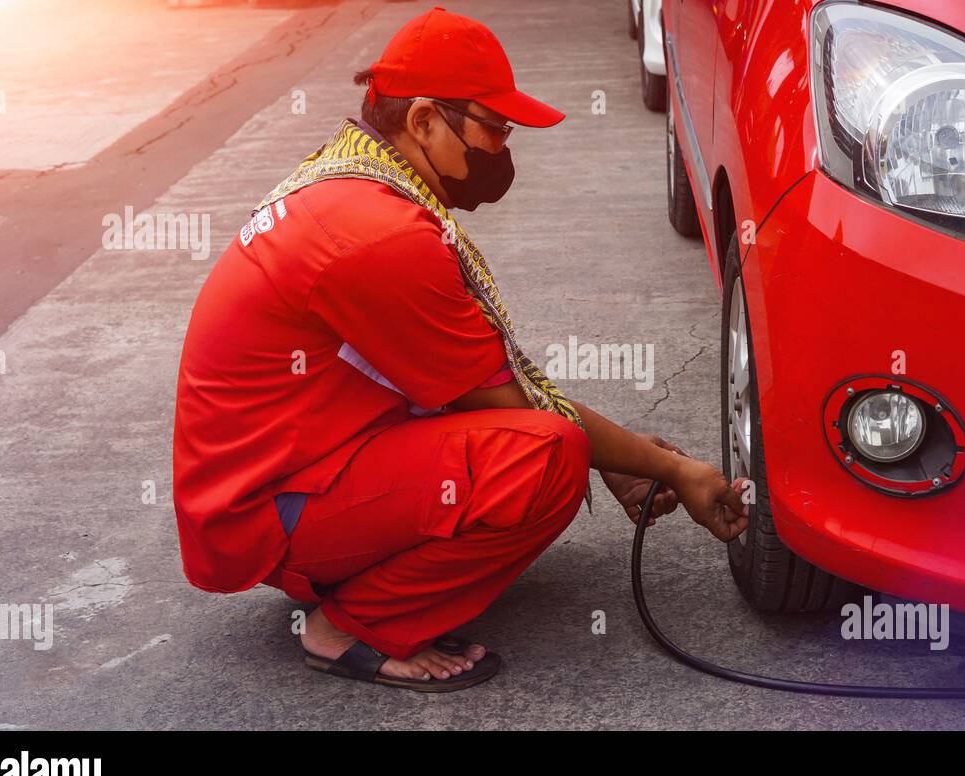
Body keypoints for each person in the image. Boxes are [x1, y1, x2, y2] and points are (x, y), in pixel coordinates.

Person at [172, 6, 747, 692]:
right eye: (495, 129)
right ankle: (350, 624)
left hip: (283, 475)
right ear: (422, 122)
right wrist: (665, 467)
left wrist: (625, 460)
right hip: (265, 513)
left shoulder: (353, 177)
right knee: (546, 458)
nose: (503, 150)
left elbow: (481, 383)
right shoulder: (380, 234)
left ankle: (351, 570)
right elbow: (515, 410)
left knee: (536, 436)